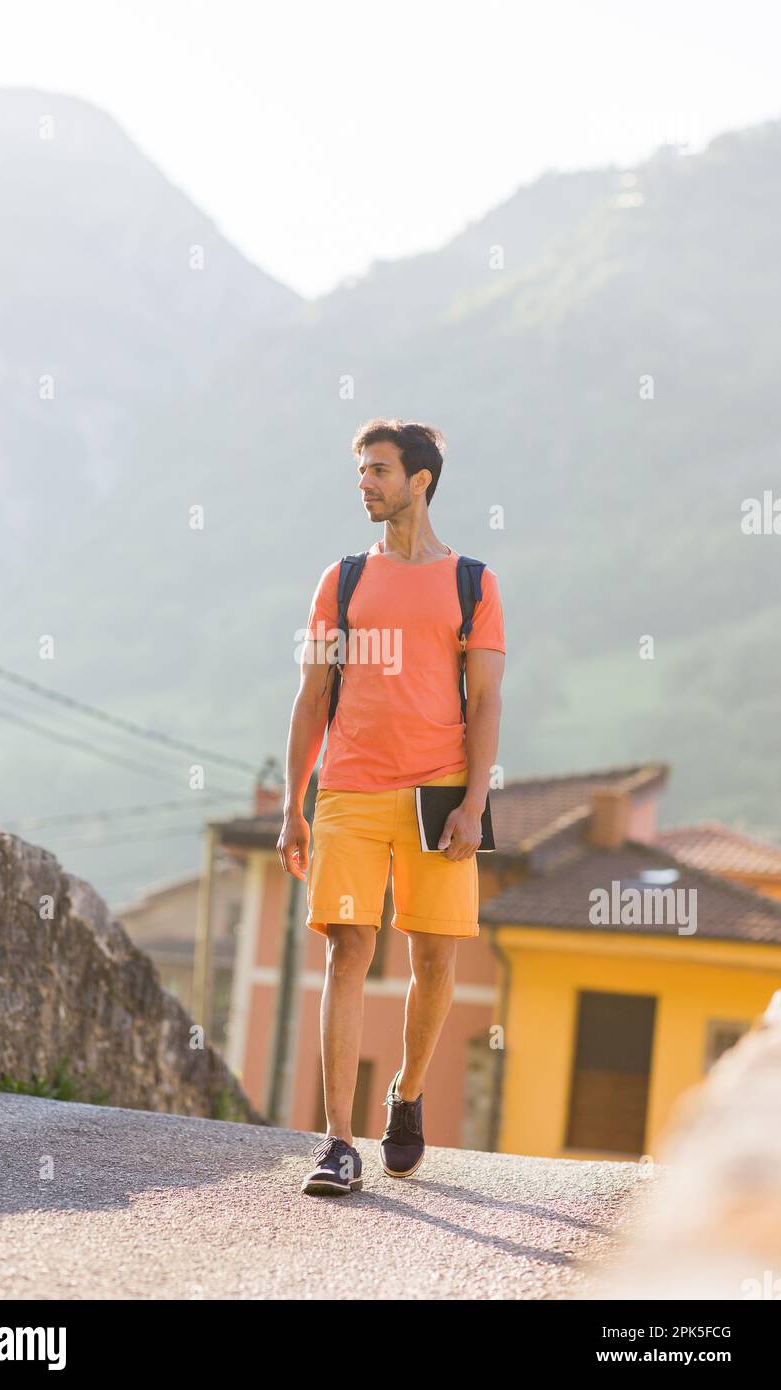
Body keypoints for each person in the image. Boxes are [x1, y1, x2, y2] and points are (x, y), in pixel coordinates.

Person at [277, 418, 505, 1196]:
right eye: (361, 471)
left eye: (379, 470)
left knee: (435, 958)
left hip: (436, 796)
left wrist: (474, 803)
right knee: (348, 947)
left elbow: (487, 702)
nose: (365, 483)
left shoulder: (473, 583)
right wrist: (292, 804)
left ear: (421, 480)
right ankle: (337, 1140)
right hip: (347, 789)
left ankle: (406, 1097)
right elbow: (311, 699)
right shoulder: (341, 581)